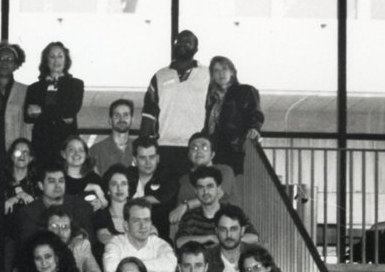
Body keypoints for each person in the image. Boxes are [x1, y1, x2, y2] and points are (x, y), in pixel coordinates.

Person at [141, 30, 210, 183]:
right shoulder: (159, 76)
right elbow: (149, 113)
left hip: (196, 148)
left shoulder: (207, 75)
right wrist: (143, 143)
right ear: (173, 46)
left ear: (196, 49)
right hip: (164, 147)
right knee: (165, 193)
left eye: (188, 42)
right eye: (179, 41)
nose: (183, 44)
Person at [203, 56, 263, 187]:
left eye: (224, 68)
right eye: (216, 70)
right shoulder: (211, 98)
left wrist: (254, 128)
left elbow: (255, 114)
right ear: (212, 76)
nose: (221, 73)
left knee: (231, 185)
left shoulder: (245, 91)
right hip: (214, 150)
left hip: (234, 148)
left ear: (232, 72)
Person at [24, 41, 83, 167]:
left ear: (66, 60)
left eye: (60, 56)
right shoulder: (34, 88)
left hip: (66, 144)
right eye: (52, 56)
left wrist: (41, 112)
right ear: (46, 61)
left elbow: (70, 110)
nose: (56, 60)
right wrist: (59, 113)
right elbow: (27, 116)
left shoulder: (76, 84)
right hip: (41, 144)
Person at [102, 199, 178, 272]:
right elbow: (109, 267)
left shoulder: (160, 244)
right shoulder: (116, 243)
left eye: (146, 220)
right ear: (126, 225)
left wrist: (128, 269)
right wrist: (151, 270)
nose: (143, 226)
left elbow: (170, 266)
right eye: (136, 221)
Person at [128, 136, 179, 238]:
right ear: (134, 160)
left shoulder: (168, 176)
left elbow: (164, 197)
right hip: (127, 234)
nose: (148, 162)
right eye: (142, 158)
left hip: (159, 237)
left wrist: (130, 203)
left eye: (152, 157)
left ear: (158, 158)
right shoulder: (126, 176)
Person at [89, 99, 136, 174]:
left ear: (132, 120)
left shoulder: (139, 148)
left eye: (126, 115)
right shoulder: (96, 151)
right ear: (110, 120)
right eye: (117, 115)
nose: (121, 119)